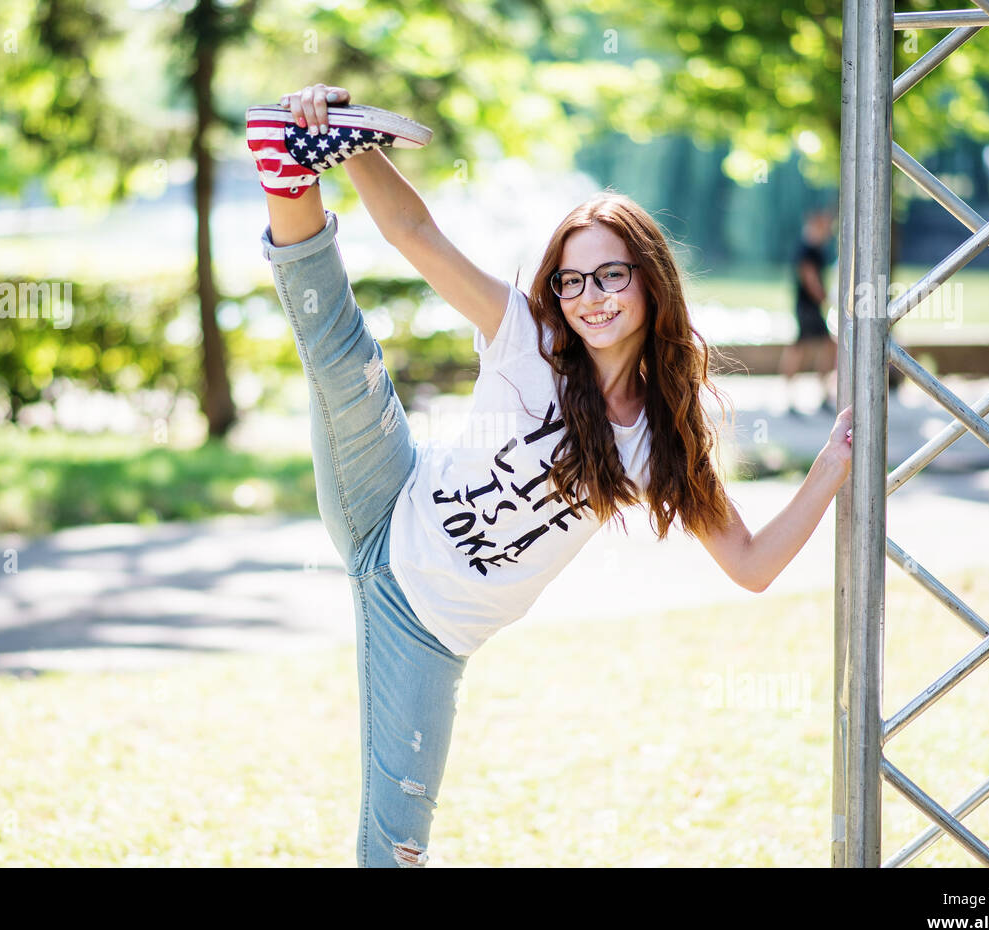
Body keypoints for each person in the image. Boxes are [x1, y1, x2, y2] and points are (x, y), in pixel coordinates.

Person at [248, 83, 854, 867]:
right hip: (387, 495)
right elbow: (412, 229)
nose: (589, 298)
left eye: (610, 276)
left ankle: (299, 157)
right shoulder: (525, 336)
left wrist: (832, 465)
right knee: (340, 357)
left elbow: (750, 564)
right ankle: (289, 161)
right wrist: (356, 142)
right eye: (571, 280)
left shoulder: (658, 445)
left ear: (649, 279)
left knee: (394, 845)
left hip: (428, 629)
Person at [779, 209, 838, 416]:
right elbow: (809, 276)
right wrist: (823, 298)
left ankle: (815, 393)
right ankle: (795, 396)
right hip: (808, 307)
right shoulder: (807, 249)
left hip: (808, 307)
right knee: (804, 349)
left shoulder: (814, 248)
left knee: (812, 347)